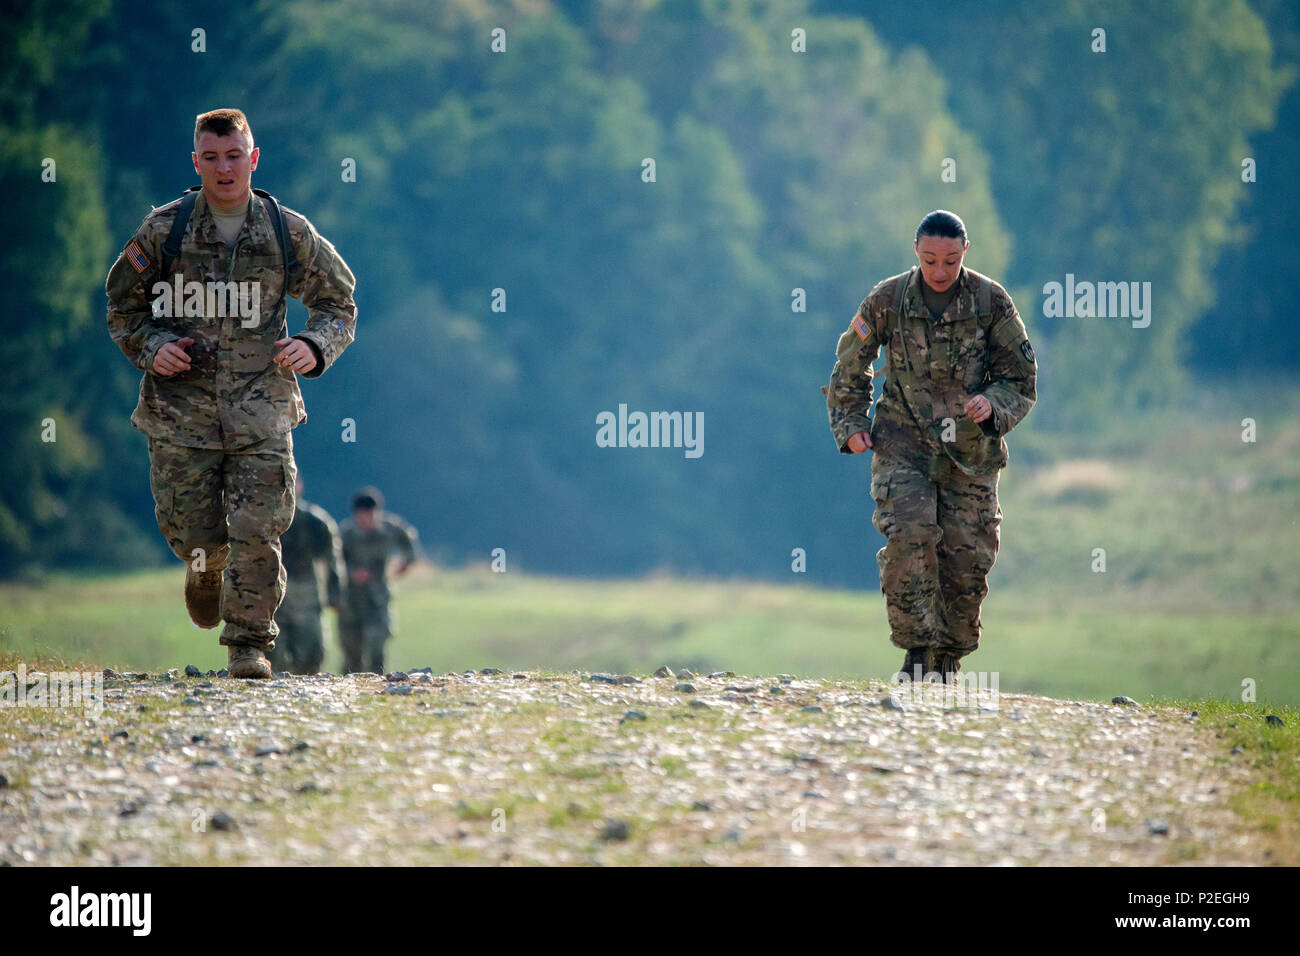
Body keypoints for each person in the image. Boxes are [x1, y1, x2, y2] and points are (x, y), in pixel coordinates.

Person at [106, 108, 357, 679]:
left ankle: (248, 645)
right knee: (194, 533)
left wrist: (315, 346)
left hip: (262, 409)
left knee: (260, 528)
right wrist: (152, 348)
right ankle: (204, 569)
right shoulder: (163, 232)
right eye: (212, 158)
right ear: (197, 162)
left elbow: (339, 304)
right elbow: (123, 307)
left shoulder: (287, 233)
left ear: (254, 158)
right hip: (180, 414)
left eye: (235, 156)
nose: (225, 168)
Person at [826, 210, 1036, 683]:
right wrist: (852, 423)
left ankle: (949, 658)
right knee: (908, 537)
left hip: (969, 452)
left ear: (966, 253)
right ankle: (917, 653)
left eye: (950, 261)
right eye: (929, 260)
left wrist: (992, 403)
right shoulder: (889, 299)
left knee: (967, 559)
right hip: (904, 442)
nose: (939, 272)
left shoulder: (990, 302)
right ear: (915, 253)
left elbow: (1020, 379)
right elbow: (849, 365)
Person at [338, 487, 419, 674]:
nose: (368, 519)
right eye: (364, 515)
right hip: (351, 600)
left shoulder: (390, 529)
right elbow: (335, 561)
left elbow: (409, 541)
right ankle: (349, 691)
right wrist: (351, 574)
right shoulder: (346, 534)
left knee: (377, 647)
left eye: (372, 514)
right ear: (356, 514)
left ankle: (377, 685)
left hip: (378, 598)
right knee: (352, 653)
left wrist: (405, 562)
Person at [269, 477, 344, 675]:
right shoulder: (266, 519)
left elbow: (332, 559)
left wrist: (334, 593)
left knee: (312, 655)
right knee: (272, 654)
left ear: (300, 487)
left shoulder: (316, 521)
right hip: (272, 595)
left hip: (307, 595)